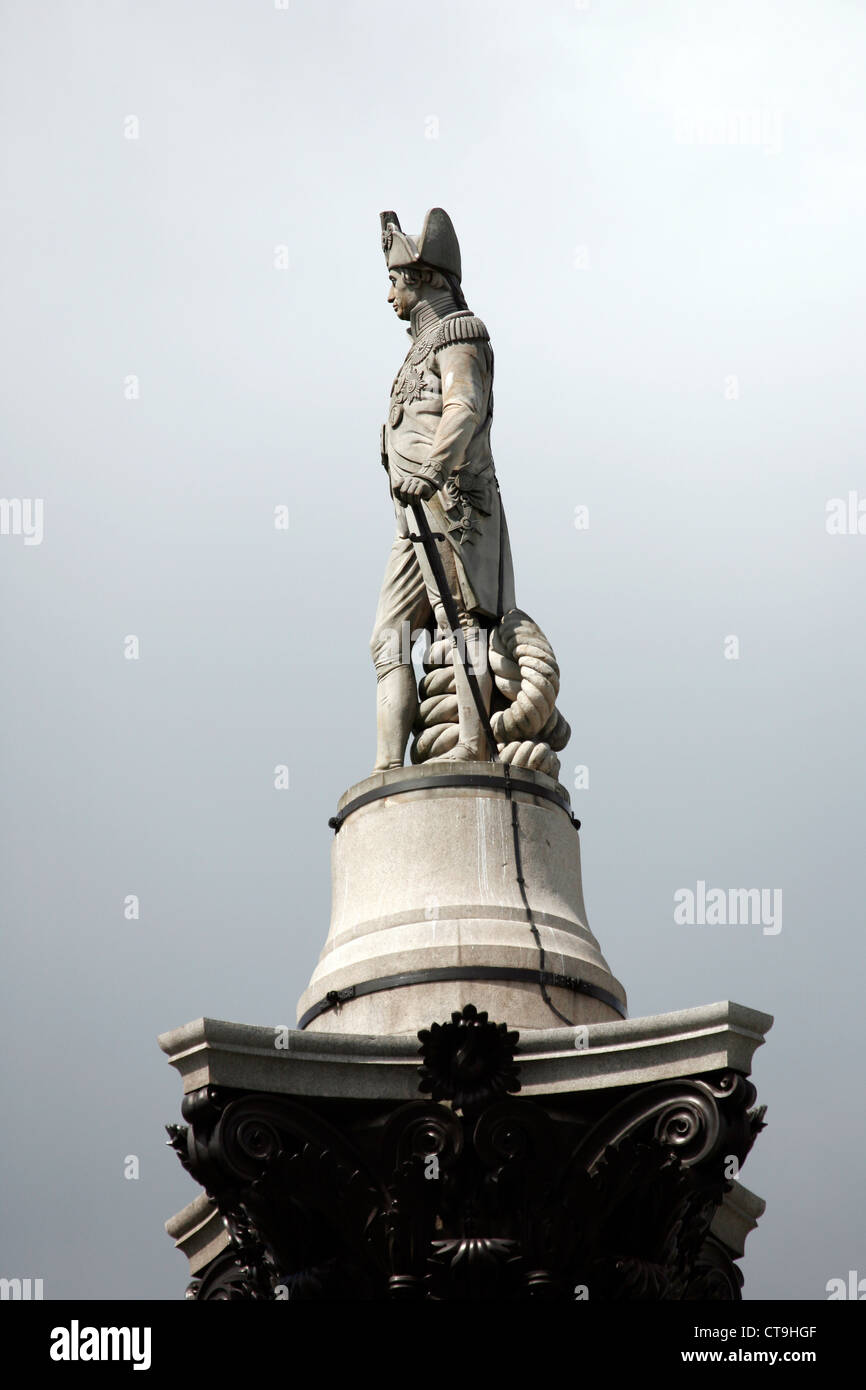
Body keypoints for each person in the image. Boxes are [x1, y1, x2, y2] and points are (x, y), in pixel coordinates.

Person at [370, 207, 516, 771]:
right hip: (413, 516)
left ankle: (474, 745)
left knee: (461, 626)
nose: (389, 296)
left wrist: (432, 467)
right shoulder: (417, 348)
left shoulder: (459, 335)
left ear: (424, 278)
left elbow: (463, 406)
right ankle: (388, 766)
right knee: (390, 635)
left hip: (451, 506)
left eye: (394, 280)